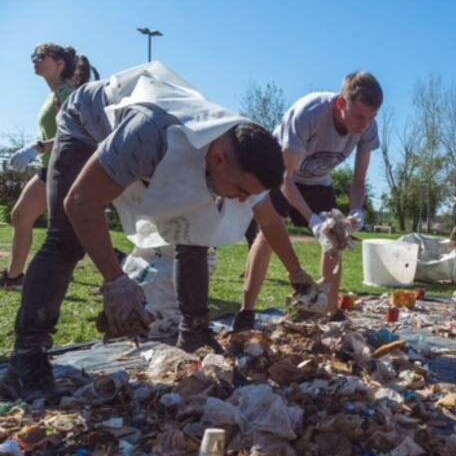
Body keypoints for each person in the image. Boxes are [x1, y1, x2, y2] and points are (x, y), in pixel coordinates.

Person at [1, 62, 313, 402]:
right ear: (220, 158)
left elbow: (270, 222)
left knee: (196, 233)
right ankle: (28, 355)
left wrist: (297, 274)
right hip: (87, 129)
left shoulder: (237, 151)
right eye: (240, 190)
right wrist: (116, 281)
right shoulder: (152, 133)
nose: (242, 200)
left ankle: (194, 330)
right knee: (66, 239)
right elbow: (81, 201)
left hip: (151, 152)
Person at [234, 72, 382, 329]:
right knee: (268, 234)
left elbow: (358, 182)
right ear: (341, 104)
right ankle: (247, 311)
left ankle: (332, 312)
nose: (364, 124)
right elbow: (285, 178)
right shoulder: (309, 113)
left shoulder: (368, 128)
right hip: (279, 173)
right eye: (359, 116)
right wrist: (313, 220)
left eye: (371, 117)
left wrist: (357, 210)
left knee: (336, 237)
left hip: (317, 178)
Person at [1, 44, 96, 288]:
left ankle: (120, 265)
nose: (34, 60)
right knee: (25, 217)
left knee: (65, 225)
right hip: (50, 167)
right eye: (33, 56)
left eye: (40, 57)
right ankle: (15, 277)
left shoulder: (66, 94)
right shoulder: (54, 94)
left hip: (64, 167)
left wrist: (37, 148)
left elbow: (78, 134)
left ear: (59, 63)